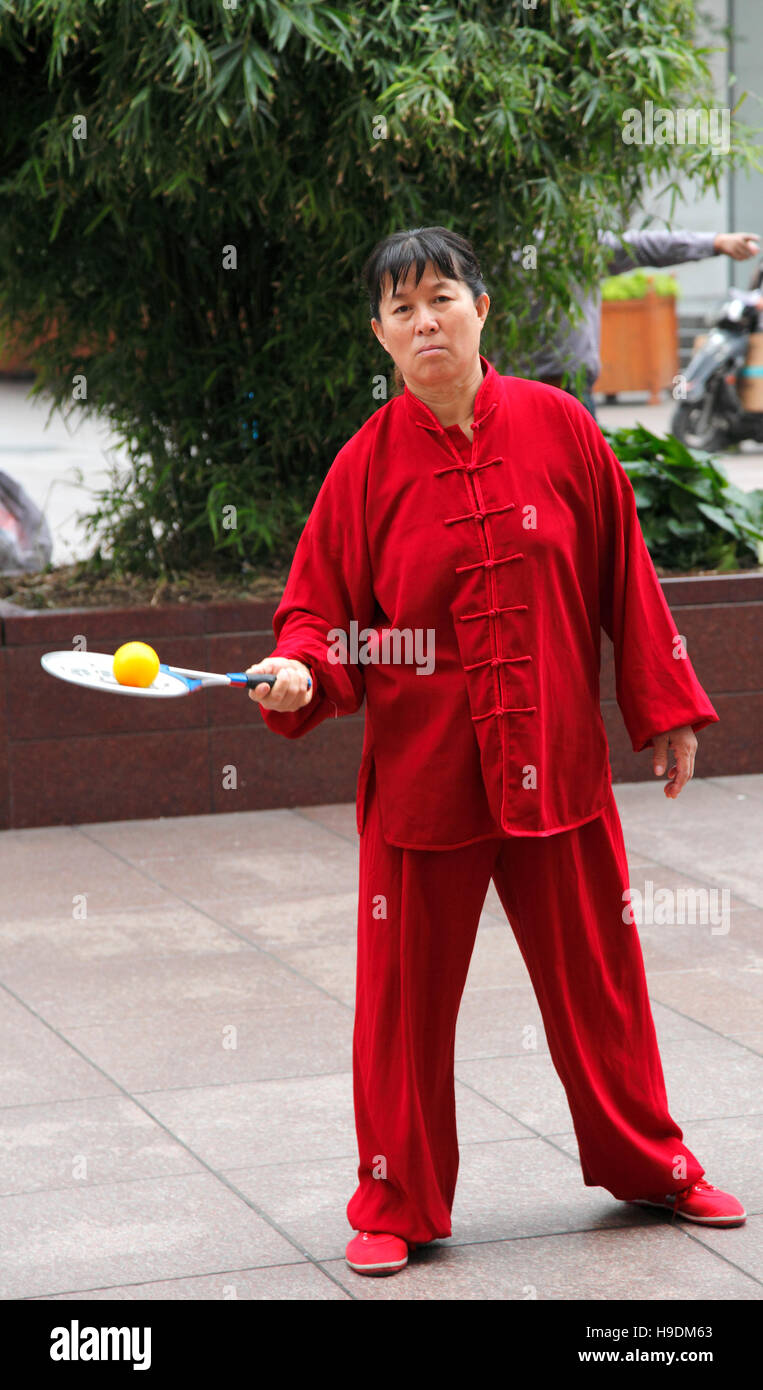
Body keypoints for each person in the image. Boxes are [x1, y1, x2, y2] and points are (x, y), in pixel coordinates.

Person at [245, 226, 746, 1279]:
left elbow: (625, 576)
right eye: (400, 309)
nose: (424, 320)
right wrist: (304, 669)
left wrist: (667, 708)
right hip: (423, 786)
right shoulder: (364, 468)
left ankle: (651, 1162)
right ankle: (395, 1199)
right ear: (377, 335)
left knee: (602, 988)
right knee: (401, 1013)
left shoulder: (561, 428)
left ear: (482, 307)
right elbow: (326, 622)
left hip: (557, 769)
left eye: (440, 297)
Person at [505, 227, 760, 417]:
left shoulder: (571, 239)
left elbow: (640, 246)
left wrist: (714, 242)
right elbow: (639, 246)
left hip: (566, 388)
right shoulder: (502, 240)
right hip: (513, 389)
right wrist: (715, 242)